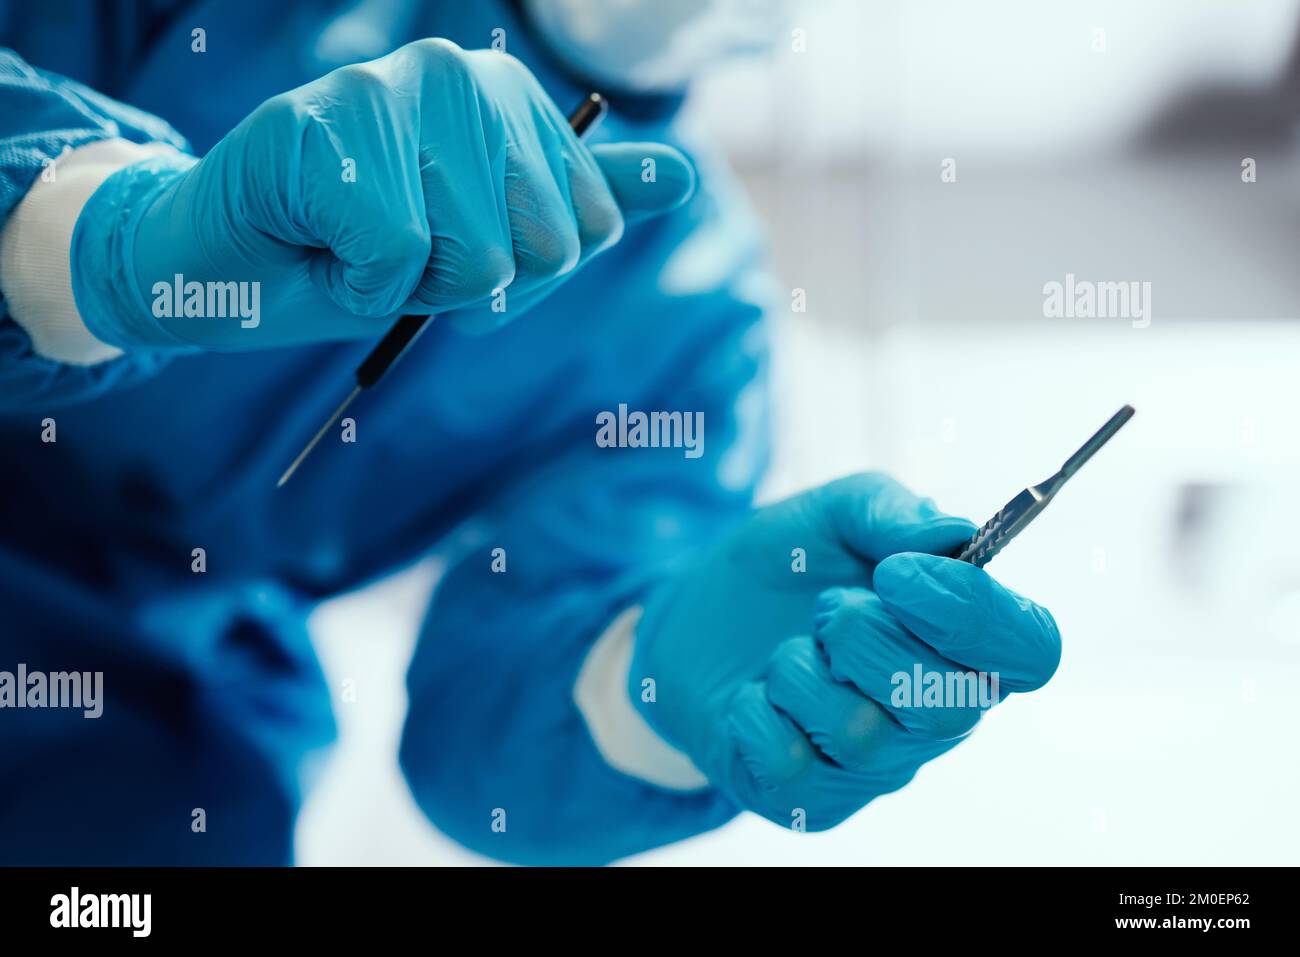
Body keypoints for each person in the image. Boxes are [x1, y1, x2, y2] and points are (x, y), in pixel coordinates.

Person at [0, 0, 1060, 865]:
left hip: (128, 724)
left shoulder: (690, 321)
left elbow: (483, 747)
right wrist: (109, 240)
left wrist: (641, 691)